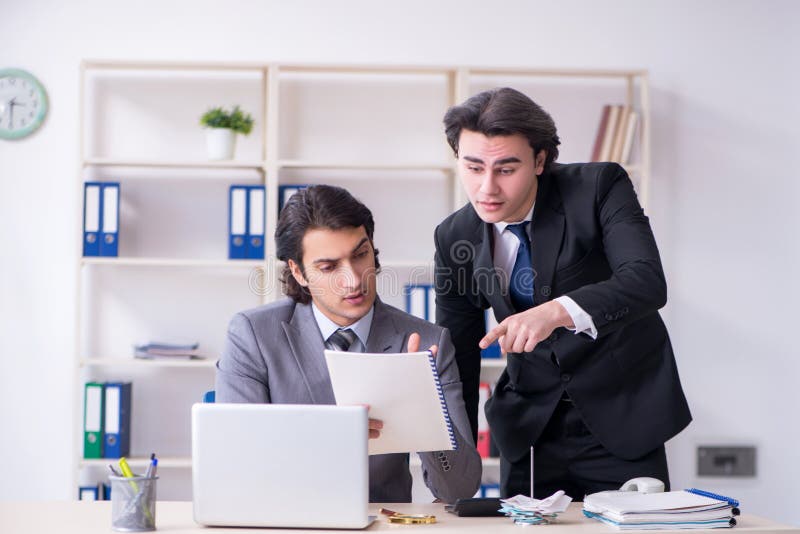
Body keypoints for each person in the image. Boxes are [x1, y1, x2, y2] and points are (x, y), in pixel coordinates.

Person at [433, 87, 691, 499]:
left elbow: (645, 280)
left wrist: (555, 311)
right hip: (529, 430)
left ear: (540, 160)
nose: (487, 188)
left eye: (506, 168)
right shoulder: (454, 236)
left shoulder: (598, 187)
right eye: (473, 167)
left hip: (622, 422)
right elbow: (459, 354)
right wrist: (454, 463)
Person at [216, 184, 481, 503]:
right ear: (298, 272)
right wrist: (331, 436)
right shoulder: (253, 336)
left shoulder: (426, 342)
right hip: (284, 517)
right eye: (328, 267)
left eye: (360, 255)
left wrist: (422, 409)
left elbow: (460, 489)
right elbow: (238, 461)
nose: (354, 279)